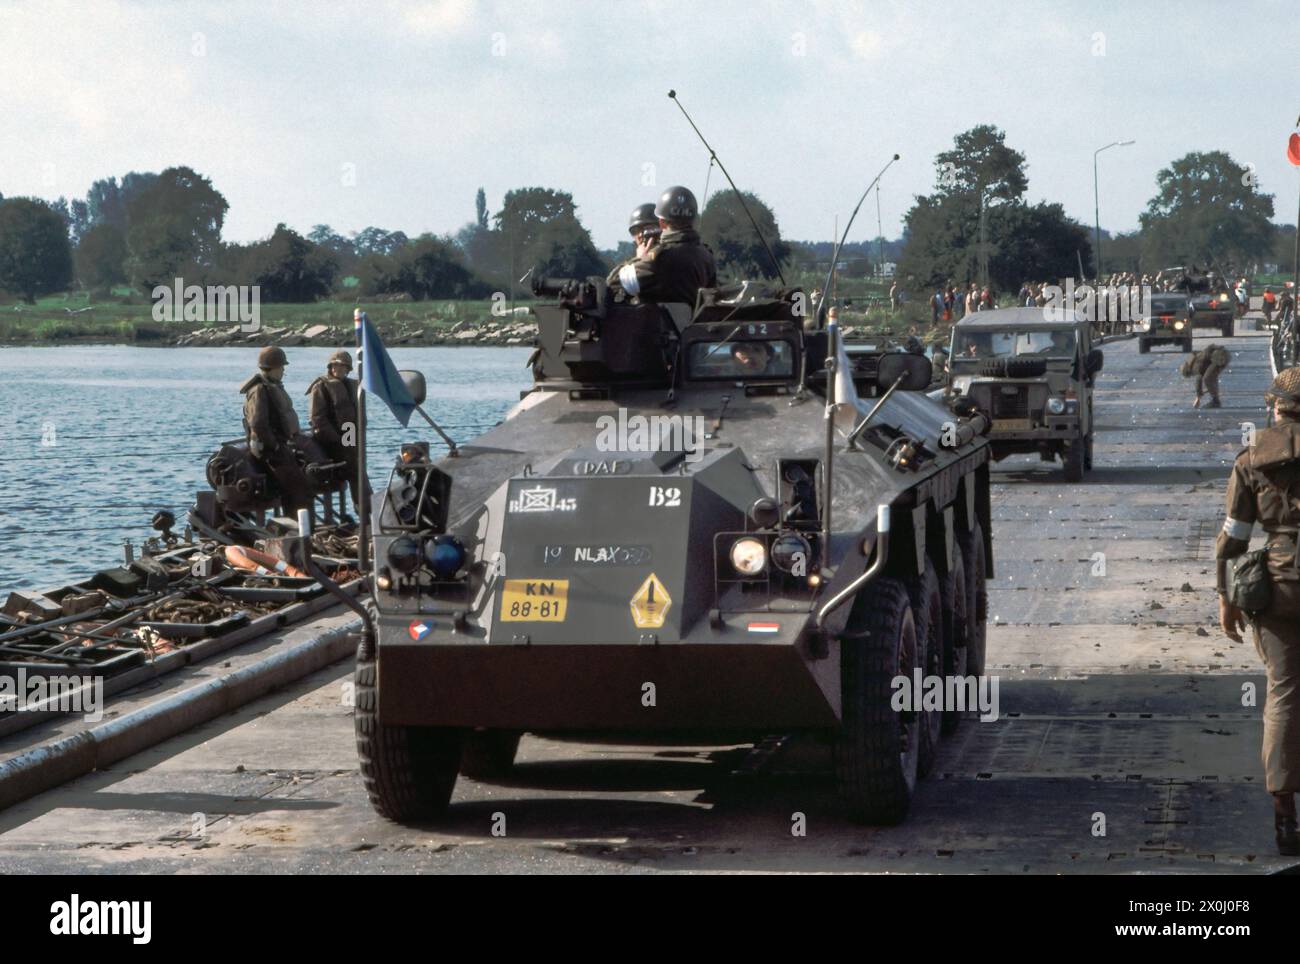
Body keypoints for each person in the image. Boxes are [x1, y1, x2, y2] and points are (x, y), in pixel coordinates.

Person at [1217, 366, 1300, 855]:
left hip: (1279, 586)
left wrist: (1227, 598)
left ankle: (1285, 818)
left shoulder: (1251, 461)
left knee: (1285, 696)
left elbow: (1234, 539)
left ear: (1275, 408)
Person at [607, 185, 717, 306]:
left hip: (659, 324)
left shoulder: (658, 258)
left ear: (662, 223)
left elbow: (613, 283)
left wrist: (639, 259)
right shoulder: (706, 255)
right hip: (695, 323)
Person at [241, 346, 312, 513]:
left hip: (281, 446)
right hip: (270, 452)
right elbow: (258, 424)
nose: (283, 371)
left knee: (301, 487)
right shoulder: (259, 390)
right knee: (297, 489)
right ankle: (296, 532)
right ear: (272, 367)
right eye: (281, 367)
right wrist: (275, 446)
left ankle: (300, 529)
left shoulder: (272, 386)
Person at [307, 349, 371, 511]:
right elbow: (318, 421)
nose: (338, 369)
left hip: (350, 439)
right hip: (331, 445)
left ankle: (369, 510)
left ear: (348, 368)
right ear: (330, 367)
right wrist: (338, 441)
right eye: (335, 366)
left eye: (342, 366)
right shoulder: (321, 387)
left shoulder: (353, 386)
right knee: (355, 469)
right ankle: (366, 510)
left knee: (359, 468)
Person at [606, 203, 661, 287]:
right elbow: (612, 283)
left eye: (646, 230)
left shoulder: (670, 255)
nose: (640, 235)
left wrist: (642, 261)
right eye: (635, 231)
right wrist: (638, 260)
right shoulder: (633, 263)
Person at [1182, 343, 1230, 408]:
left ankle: (1216, 402)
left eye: (1190, 375)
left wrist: (1198, 397)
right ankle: (1215, 400)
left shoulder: (1195, 365)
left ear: (1188, 370)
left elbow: (1199, 379)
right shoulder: (1197, 358)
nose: (1192, 375)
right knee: (1211, 377)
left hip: (1218, 356)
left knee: (1207, 378)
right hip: (1224, 354)